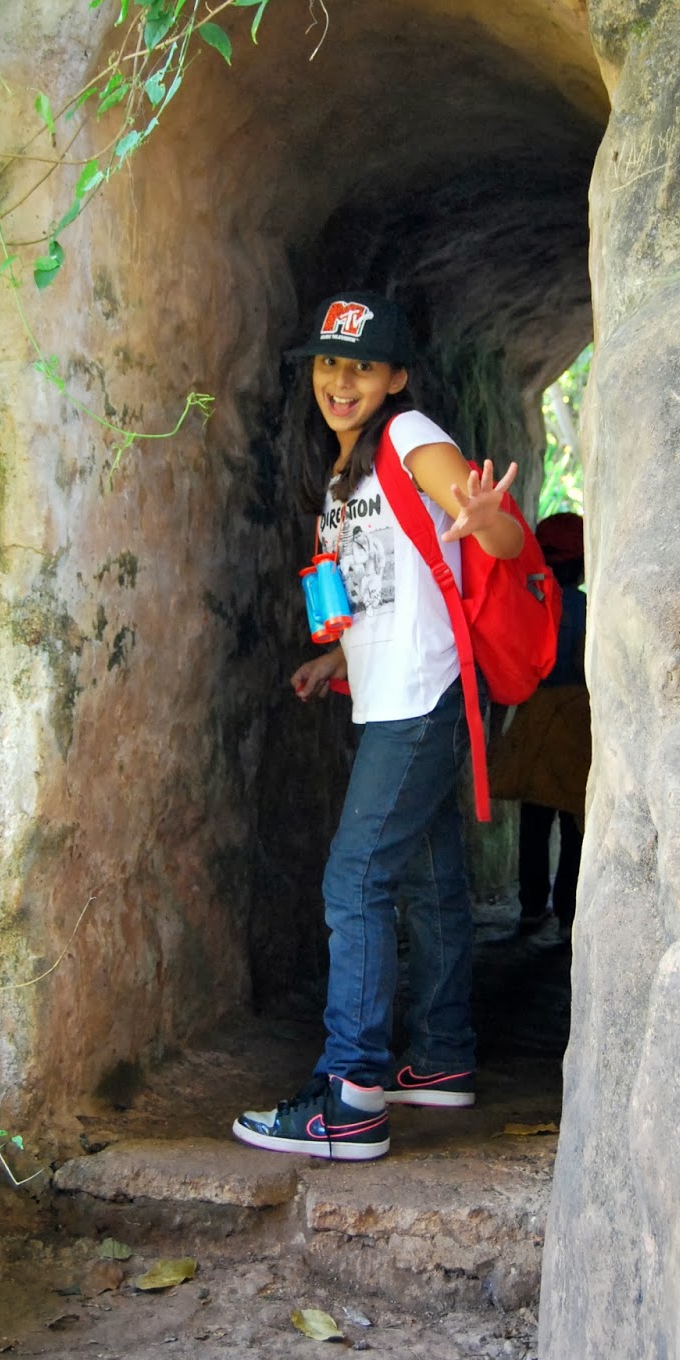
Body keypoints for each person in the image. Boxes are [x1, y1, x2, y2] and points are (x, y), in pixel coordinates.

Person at [232, 291, 524, 1162]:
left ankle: (350, 1097)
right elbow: (386, 592)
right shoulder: (345, 475)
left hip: (423, 699)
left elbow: (494, 530)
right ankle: (440, 1058)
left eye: (361, 365)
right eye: (329, 363)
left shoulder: (407, 437)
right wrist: (337, 658)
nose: (341, 381)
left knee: (354, 879)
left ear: (394, 377)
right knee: (430, 881)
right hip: (392, 687)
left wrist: (490, 523)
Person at [487, 513, 590, 939]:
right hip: (577, 725)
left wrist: (494, 735)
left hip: (531, 718)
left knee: (534, 819)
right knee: (574, 825)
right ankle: (569, 912)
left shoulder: (528, 602)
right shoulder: (591, 607)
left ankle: (532, 905)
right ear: (583, 563)